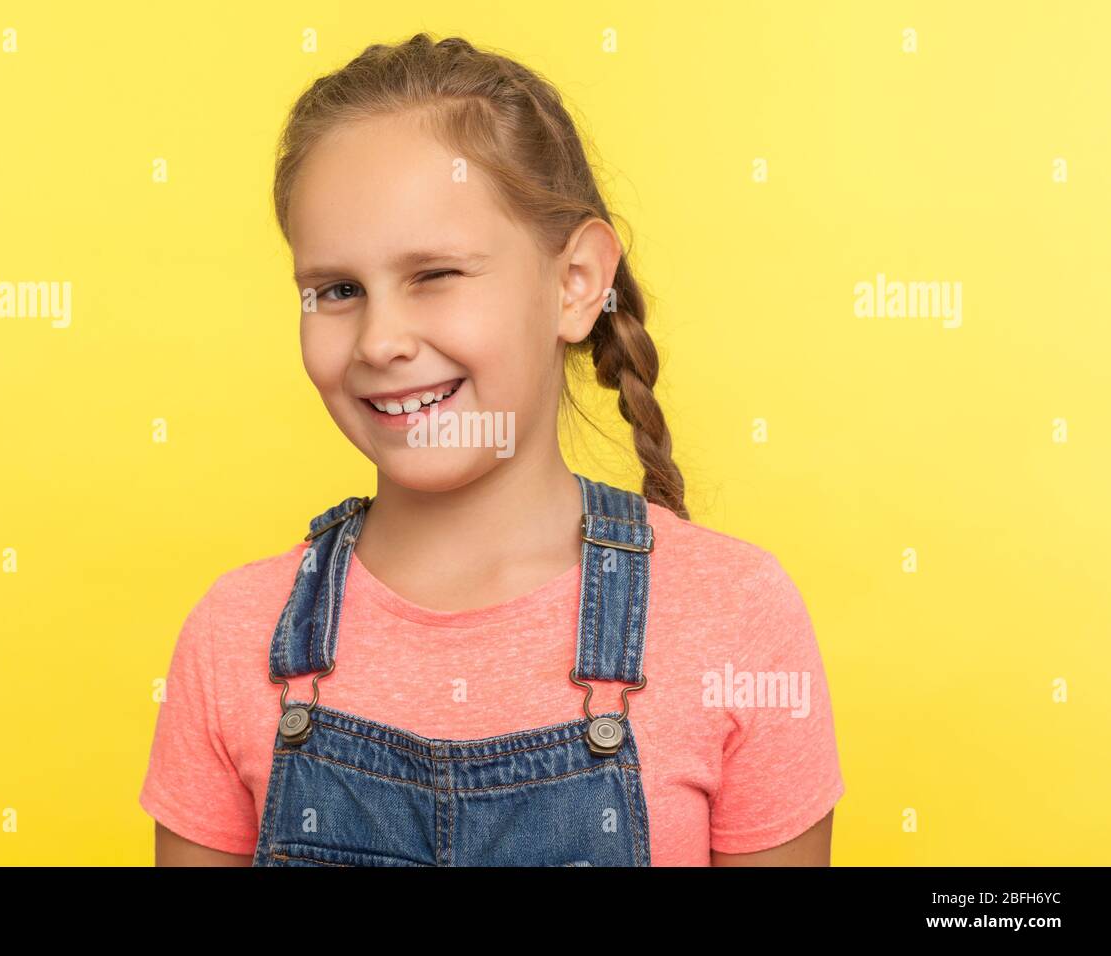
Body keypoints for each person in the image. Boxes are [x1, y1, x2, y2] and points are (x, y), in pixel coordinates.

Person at [140, 32, 843, 866]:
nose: (381, 340)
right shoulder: (233, 639)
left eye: (435, 274)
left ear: (575, 281)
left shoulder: (739, 620)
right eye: (337, 290)